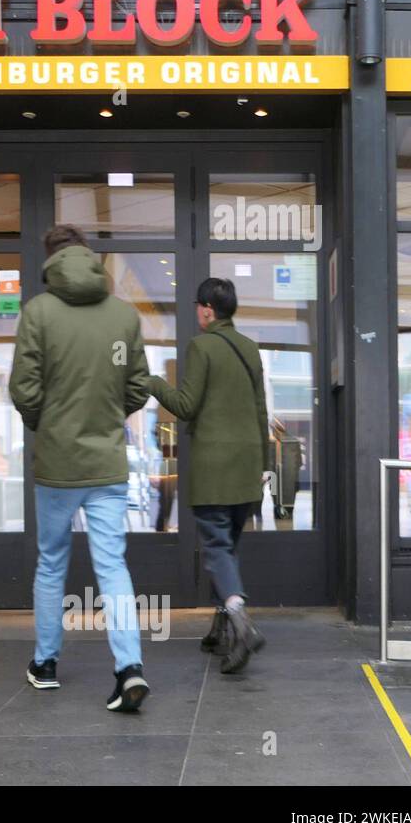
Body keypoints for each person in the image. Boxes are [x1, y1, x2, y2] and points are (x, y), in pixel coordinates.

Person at [8, 224, 152, 712]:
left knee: (52, 564)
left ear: (49, 261)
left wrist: (44, 425)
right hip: (108, 462)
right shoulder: (124, 315)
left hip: (56, 465)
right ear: (89, 256)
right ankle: (129, 668)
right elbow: (138, 386)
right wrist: (111, 416)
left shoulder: (38, 312)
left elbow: (23, 389)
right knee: (112, 566)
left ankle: (45, 665)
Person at [147, 278, 273, 674]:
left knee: (217, 547)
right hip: (247, 465)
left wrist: (151, 383)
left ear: (206, 309)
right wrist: (266, 462)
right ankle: (221, 631)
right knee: (229, 549)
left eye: (197, 306)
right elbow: (260, 410)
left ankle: (240, 621)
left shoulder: (201, 347)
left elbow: (185, 405)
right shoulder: (250, 349)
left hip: (213, 467)